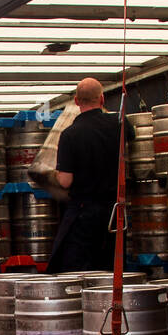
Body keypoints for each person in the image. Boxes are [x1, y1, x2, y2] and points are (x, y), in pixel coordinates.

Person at [47, 77, 121, 273]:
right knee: (111, 268)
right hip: (115, 212)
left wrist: (50, 176)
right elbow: (131, 135)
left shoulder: (70, 134)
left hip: (84, 215)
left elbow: (65, 181)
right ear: (102, 100)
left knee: (77, 270)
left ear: (77, 101)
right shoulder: (120, 124)